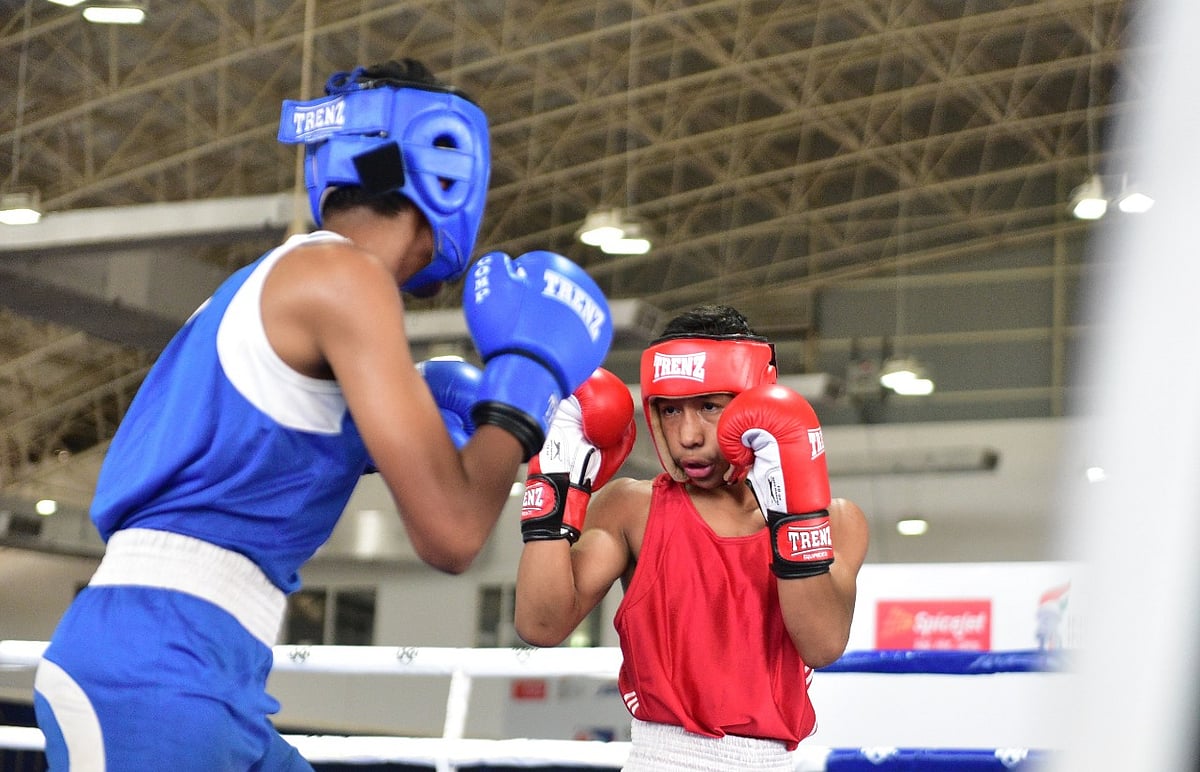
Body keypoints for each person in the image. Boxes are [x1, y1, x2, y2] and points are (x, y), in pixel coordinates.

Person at [32, 59, 613, 771]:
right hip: (158, 673)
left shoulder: (287, 283)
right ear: (448, 172)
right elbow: (454, 533)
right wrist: (526, 382)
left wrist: (442, 406)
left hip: (196, 668)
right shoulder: (346, 280)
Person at [515, 304, 869, 771]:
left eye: (708, 407)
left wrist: (792, 514)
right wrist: (553, 485)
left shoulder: (837, 521)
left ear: (755, 402)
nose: (687, 435)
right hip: (662, 759)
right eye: (669, 411)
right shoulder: (632, 509)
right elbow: (541, 625)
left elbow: (822, 645)